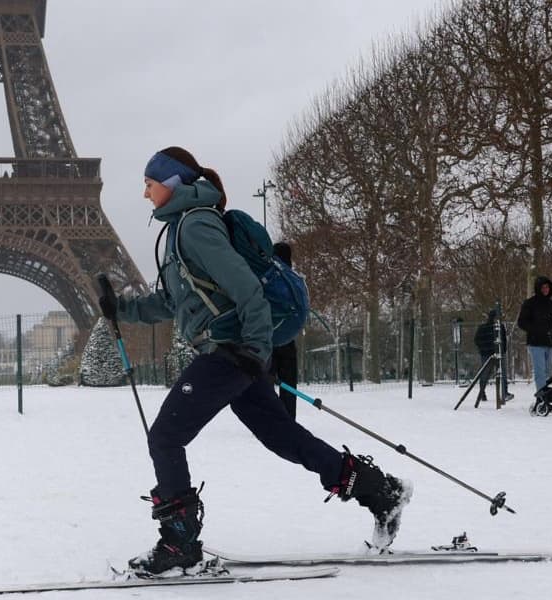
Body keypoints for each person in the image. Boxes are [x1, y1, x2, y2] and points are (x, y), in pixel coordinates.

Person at [97, 146, 410, 575]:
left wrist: (254, 350)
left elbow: (247, 289)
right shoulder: (179, 230)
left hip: (230, 352)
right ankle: (380, 491)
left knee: (166, 437)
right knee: (282, 436)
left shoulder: (195, 226)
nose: (145, 193)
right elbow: (173, 302)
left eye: (149, 184)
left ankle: (179, 544)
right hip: (234, 352)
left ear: (171, 183)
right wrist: (122, 309)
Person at [270, 241, 299, 419]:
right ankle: (289, 420)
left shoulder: (267, 277)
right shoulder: (293, 280)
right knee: (289, 385)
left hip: (268, 339)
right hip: (288, 338)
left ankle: (270, 419)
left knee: (266, 384)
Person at [516, 276, 552, 393]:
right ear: (538, 288)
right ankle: (542, 396)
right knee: (540, 372)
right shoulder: (530, 303)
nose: (545, 289)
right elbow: (522, 322)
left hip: (550, 343)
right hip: (536, 343)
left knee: (549, 372)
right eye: (543, 287)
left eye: (547, 287)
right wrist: (536, 330)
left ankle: (547, 395)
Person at [473, 309, 511, 403]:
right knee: (497, 373)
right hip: (491, 353)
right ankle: (501, 392)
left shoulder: (485, 328)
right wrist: (501, 350)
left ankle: (484, 393)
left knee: (487, 374)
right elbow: (503, 340)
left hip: (490, 353)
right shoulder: (497, 327)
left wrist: (484, 349)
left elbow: (477, 340)